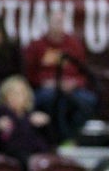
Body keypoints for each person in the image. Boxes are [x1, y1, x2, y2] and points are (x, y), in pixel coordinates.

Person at [23, 9, 97, 141]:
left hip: (71, 89)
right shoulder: (36, 46)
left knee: (89, 101)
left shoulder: (74, 45)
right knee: (55, 100)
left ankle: (70, 136)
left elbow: (84, 74)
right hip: (46, 89)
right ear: (48, 24)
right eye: (55, 22)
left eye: (61, 22)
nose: (58, 26)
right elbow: (28, 74)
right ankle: (56, 139)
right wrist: (45, 82)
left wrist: (75, 83)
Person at [0, 75, 55, 171]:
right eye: (12, 93)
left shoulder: (32, 115)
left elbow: (51, 141)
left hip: (36, 152)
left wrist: (46, 124)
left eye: (20, 94)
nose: (16, 97)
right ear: (5, 96)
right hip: (10, 153)